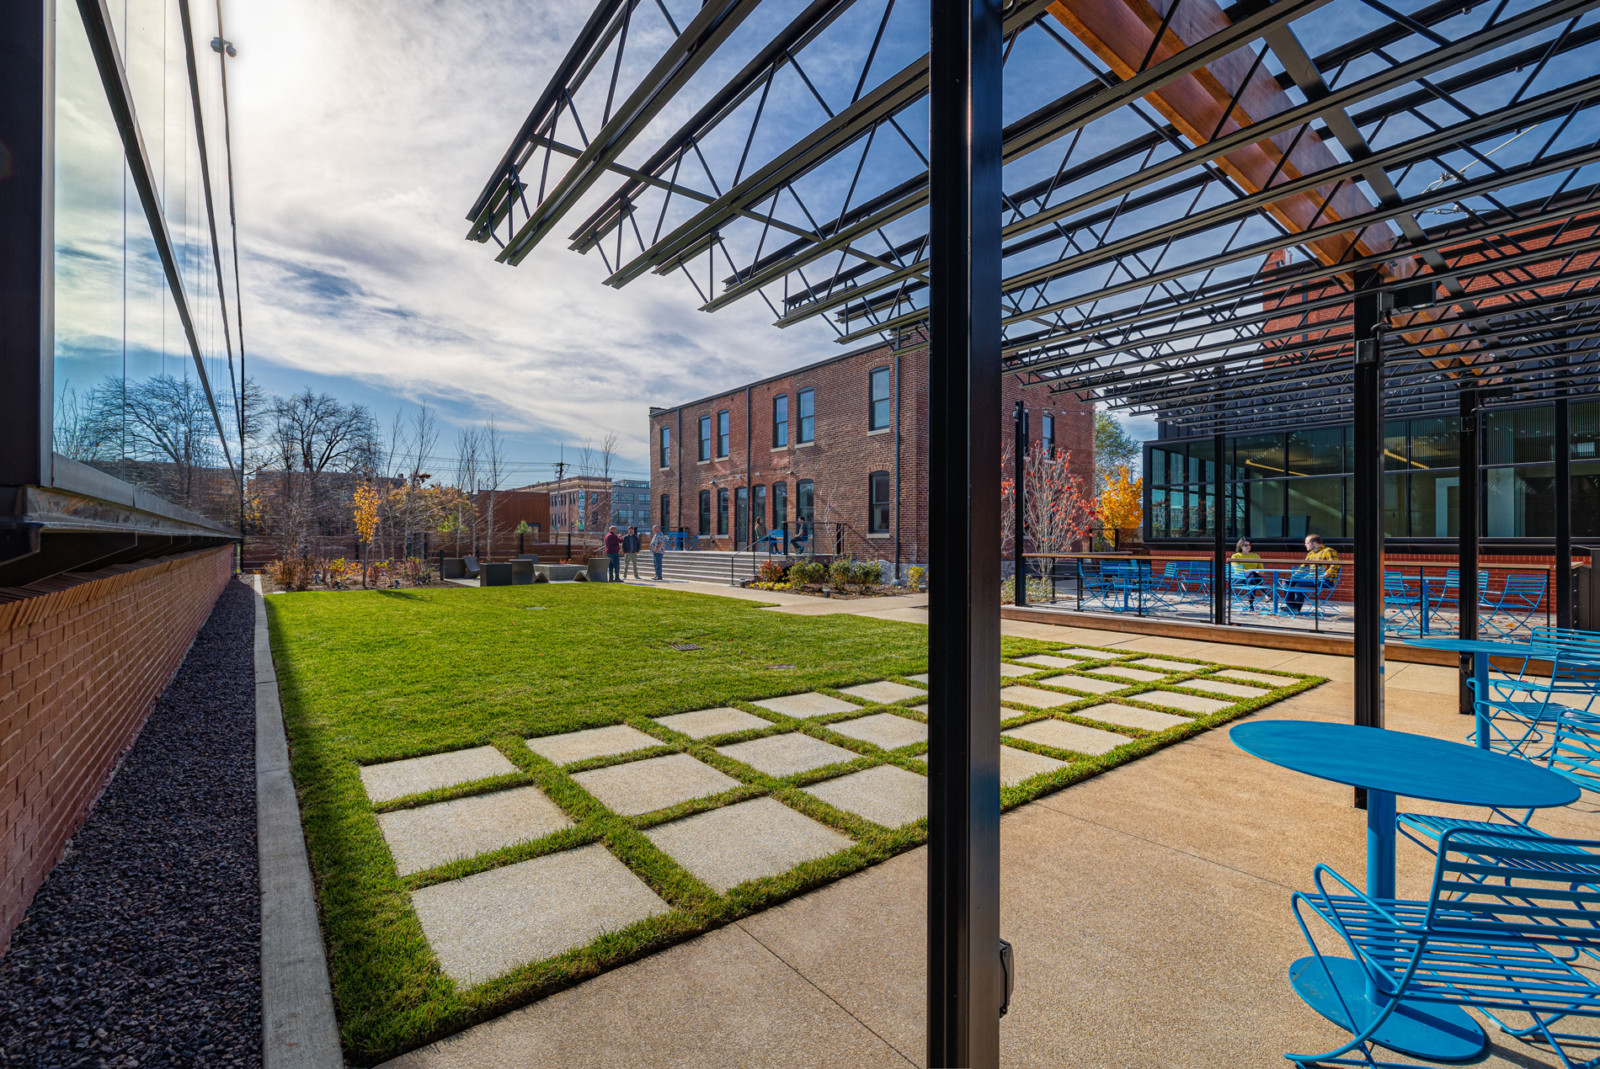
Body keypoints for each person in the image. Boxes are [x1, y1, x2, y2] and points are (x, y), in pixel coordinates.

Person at [1285, 533, 1339, 614]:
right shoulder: (1310, 554)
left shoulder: (1329, 551)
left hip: (1325, 581)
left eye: (1307, 543)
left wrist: (1326, 574)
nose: (1305, 545)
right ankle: (1291, 606)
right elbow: (1303, 568)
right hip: (1310, 579)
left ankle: (1296, 607)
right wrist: (1293, 577)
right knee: (1287, 583)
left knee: (1299, 585)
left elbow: (1336, 565)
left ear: (1314, 543)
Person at [1230, 538, 1266, 611]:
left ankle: (1251, 605)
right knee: (1253, 574)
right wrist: (1252, 571)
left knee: (1252, 579)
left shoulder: (1256, 556)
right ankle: (1265, 594)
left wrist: (1260, 572)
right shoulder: (1235, 556)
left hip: (1252, 579)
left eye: (1249, 545)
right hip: (1239, 578)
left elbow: (1261, 570)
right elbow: (1238, 569)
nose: (1248, 546)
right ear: (1240, 546)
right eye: (1246, 545)